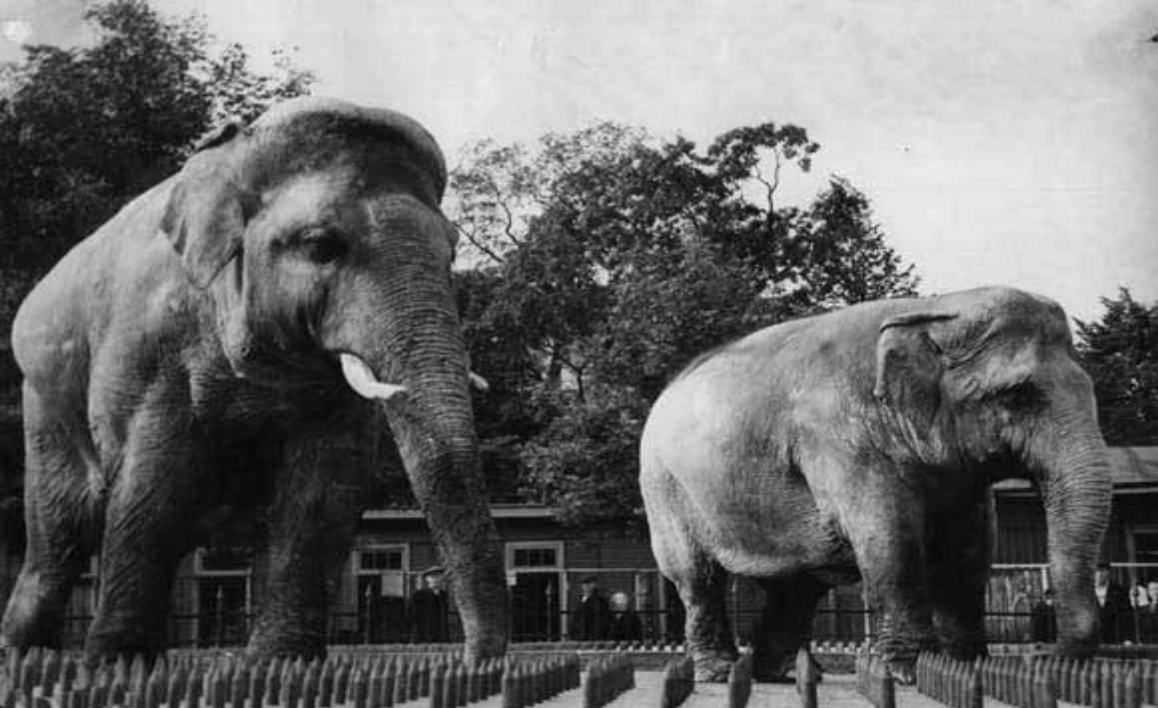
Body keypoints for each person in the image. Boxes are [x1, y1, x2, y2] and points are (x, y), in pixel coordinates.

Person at [408, 566, 451, 643]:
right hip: (423, 633)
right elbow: (412, 615)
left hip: (441, 634)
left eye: (439, 576)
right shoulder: (418, 595)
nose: (436, 579)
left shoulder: (444, 595)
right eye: (433, 577)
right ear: (427, 579)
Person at [1095, 563, 1132, 643]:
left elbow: (1126, 616)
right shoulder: (1084, 591)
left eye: (1102, 571)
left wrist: (1127, 638)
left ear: (1109, 572)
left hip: (1115, 639)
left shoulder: (1120, 591)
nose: (1099, 574)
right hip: (1092, 642)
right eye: (1096, 571)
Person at [569, 575, 611, 641]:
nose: (586, 586)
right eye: (584, 584)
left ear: (594, 585)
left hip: (593, 637)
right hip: (579, 636)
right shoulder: (579, 599)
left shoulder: (599, 600)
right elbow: (576, 617)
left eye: (589, 584)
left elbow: (600, 620)